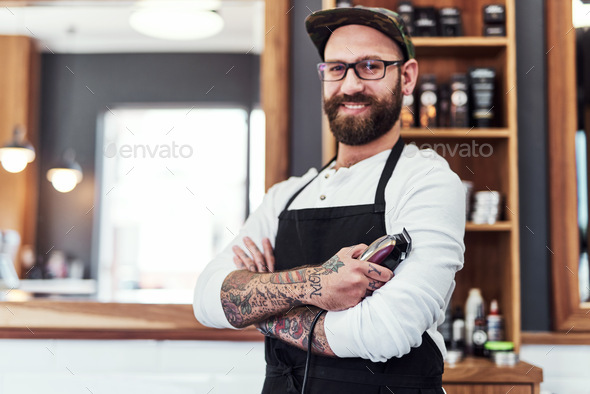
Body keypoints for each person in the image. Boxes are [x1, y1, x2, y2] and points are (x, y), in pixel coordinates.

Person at [193, 6, 465, 394]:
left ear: (406, 77)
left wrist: (260, 305)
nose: (350, 85)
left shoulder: (426, 181)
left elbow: (386, 331)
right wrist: (311, 285)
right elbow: (207, 299)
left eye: (370, 66)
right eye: (336, 68)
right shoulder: (283, 196)